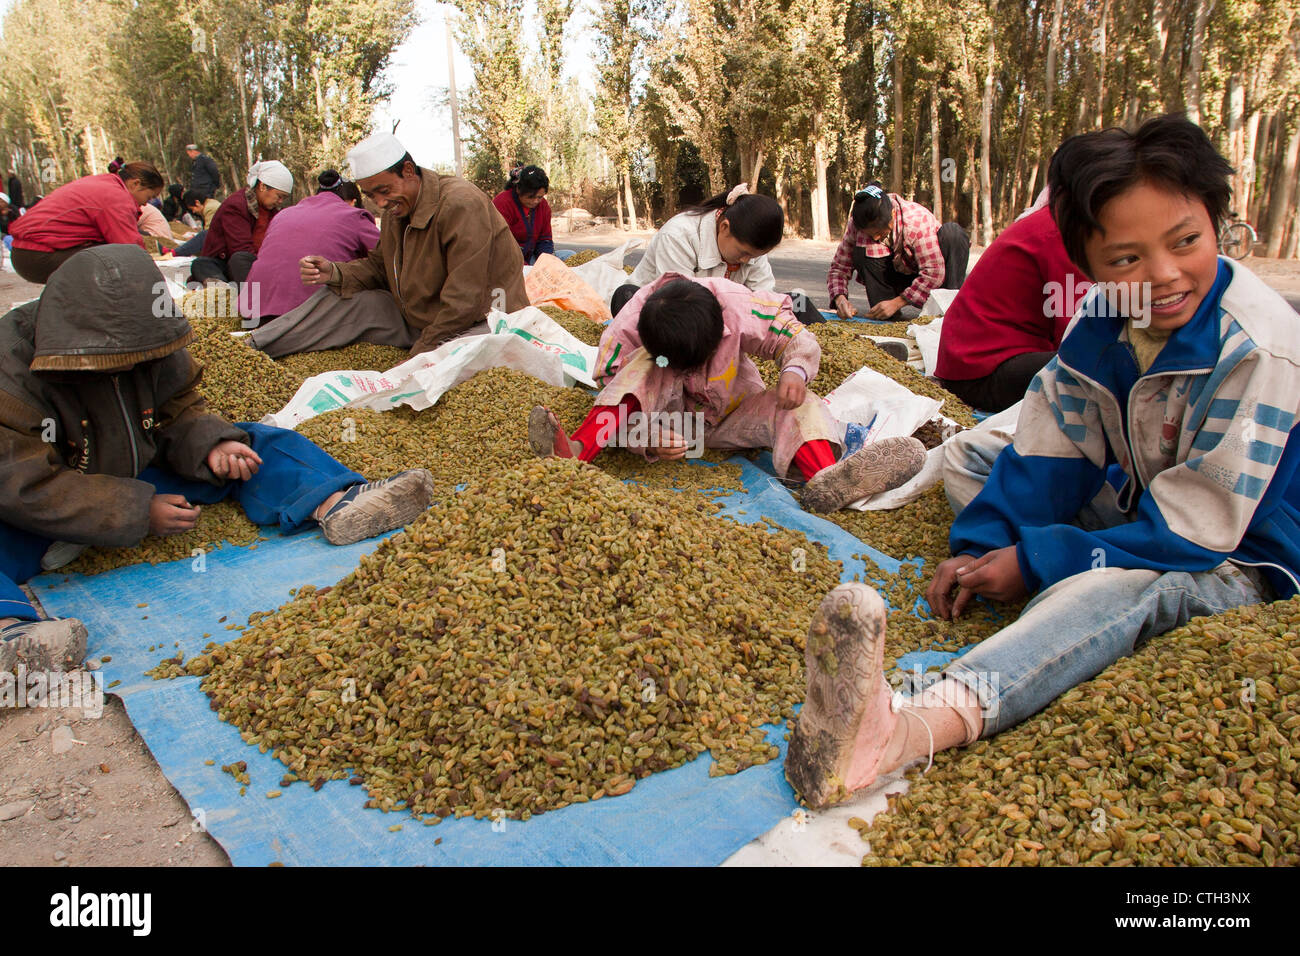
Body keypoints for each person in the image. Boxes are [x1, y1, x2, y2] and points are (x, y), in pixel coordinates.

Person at [784, 115, 1300, 809]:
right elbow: (1051, 442)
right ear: (1087, 264)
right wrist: (984, 549)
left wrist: (1038, 561)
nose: (1165, 275)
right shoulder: (1104, 321)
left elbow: (1193, 532)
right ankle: (923, 463)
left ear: (1216, 222)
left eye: (1186, 242)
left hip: (1243, 551)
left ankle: (905, 733)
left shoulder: (1258, 349)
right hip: (1143, 497)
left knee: (1122, 592)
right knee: (974, 457)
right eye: (1126, 259)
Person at [0, 245, 436, 674]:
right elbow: (23, 484)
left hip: (137, 469)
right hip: (39, 504)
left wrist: (211, 445)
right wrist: (136, 510)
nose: (128, 371)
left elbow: (178, 408)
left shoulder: (152, 339)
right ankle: (12, 635)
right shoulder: (10, 370)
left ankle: (336, 502)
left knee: (254, 443)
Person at [527, 274, 926, 510]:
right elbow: (616, 411)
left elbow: (796, 338)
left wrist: (795, 370)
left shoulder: (738, 305)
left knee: (800, 404)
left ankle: (826, 480)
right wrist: (646, 439)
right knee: (641, 371)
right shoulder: (623, 336)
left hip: (735, 416)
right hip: (675, 431)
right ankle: (576, 453)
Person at [298, 132, 529, 357]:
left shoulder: (460, 204)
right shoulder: (395, 212)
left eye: (384, 191)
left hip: (481, 322)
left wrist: (419, 353)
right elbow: (380, 267)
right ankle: (262, 344)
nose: (380, 203)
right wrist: (336, 272)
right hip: (424, 322)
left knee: (455, 368)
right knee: (336, 299)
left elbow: (465, 300)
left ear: (408, 171)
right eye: (370, 196)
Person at [932, 205, 1089, 412]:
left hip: (974, 361)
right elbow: (1079, 336)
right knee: (1098, 365)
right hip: (981, 375)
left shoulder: (1059, 219)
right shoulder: (1067, 233)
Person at [611, 185, 821, 325]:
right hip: (673, 310)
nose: (747, 260)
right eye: (743, 253)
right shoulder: (678, 235)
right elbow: (680, 302)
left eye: (755, 256)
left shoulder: (751, 249)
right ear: (724, 227)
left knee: (795, 303)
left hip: (727, 315)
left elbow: (764, 296)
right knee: (627, 297)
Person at [243, 169, 406, 348]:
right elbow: (388, 259)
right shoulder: (352, 215)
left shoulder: (283, 214)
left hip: (251, 312)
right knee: (378, 300)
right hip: (305, 318)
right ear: (351, 201)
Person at [827, 182, 969, 322]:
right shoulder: (857, 224)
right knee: (861, 251)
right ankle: (885, 312)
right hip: (895, 275)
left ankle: (949, 311)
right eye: (870, 234)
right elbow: (839, 268)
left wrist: (898, 302)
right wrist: (839, 298)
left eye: (878, 232)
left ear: (893, 215)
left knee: (953, 234)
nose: (876, 238)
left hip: (932, 279)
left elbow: (934, 273)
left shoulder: (916, 220)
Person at [8, 161, 164, 284]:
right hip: (35, 256)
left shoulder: (106, 183)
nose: (145, 204)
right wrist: (154, 283)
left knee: (109, 255)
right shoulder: (117, 197)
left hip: (25, 252)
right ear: (135, 184)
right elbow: (130, 249)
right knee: (114, 260)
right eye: (148, 197)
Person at [189, 160, 292, 286]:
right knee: (204, 264)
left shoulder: (272, 211)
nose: (280, 201)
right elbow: (241, 248)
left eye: (284, 198)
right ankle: (226, 289)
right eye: (279, 196)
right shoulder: (235, 206)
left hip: (259, 266)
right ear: (262, 186)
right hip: (231, 265)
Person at [492, 164, 563, 265]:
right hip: (506, 261)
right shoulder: (503, 203)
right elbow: (501, 245)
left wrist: (547, 262)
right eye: (530, 197)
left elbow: (545, 239)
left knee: (568, 255)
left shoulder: (543, 206)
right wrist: (525, 267)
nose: (535, 201)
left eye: (539, 197)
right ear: (518, 190)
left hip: (530, 258)